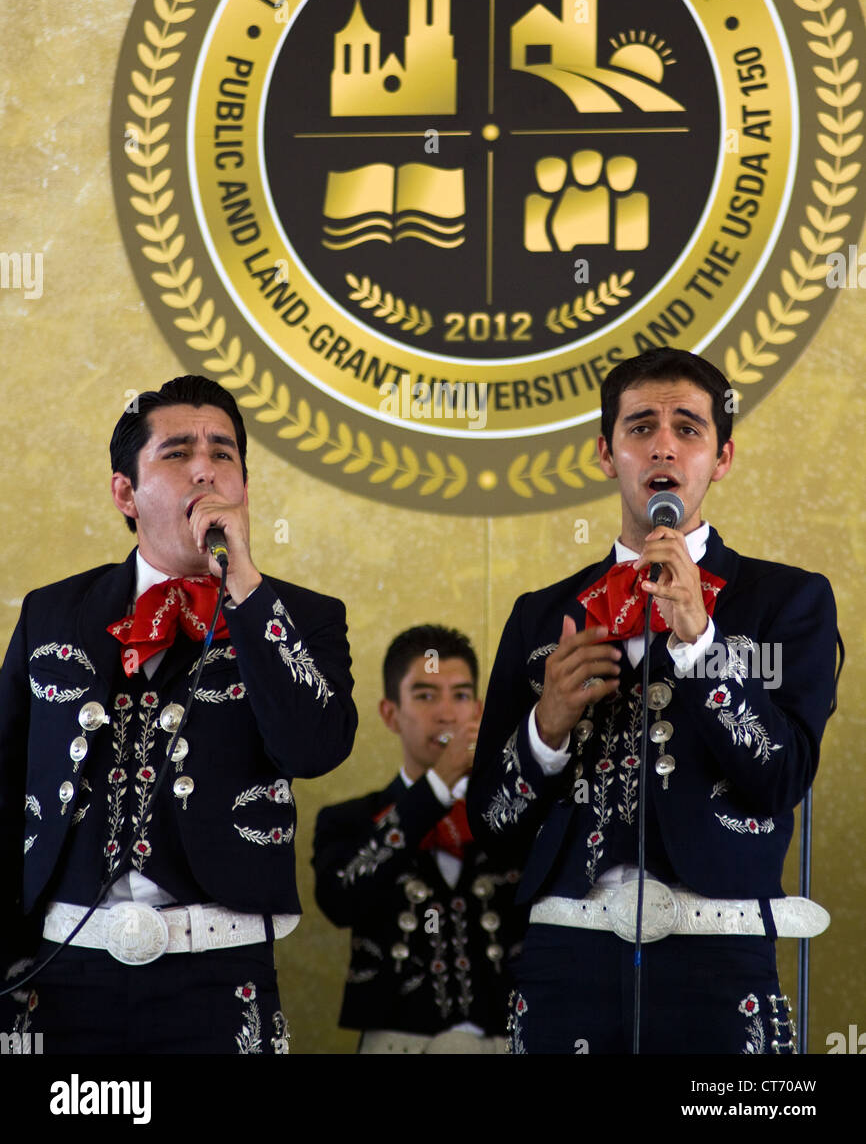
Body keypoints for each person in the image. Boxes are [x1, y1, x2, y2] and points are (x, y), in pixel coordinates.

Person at [466, 348, 838, 1055]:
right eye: (640, 427)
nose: (663, 444)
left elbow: (780, 778)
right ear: (608, 455)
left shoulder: (787, 600)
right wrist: (545, 729)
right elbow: (491, 822)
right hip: (566, 957)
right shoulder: (543, 616)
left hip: (719, 954)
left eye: (688, 428)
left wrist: (701, 643)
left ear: (721, 458)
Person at [0, 375, 356, 1054]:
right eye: (177, 452)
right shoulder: (53, 612)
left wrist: (246, 588)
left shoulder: (304, 617)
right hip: (60, 975)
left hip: (221, 977)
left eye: (224, 453)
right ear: (125, 494)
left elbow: (313, 748)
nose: (205, 467)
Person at [313, 625, 525, 1053]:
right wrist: (436, 788)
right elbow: (338, 900)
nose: (447, 713)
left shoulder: (518, 814)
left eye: (461, 695)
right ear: (391, 714)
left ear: (480, 711)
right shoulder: (348, 820)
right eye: (426, 695)